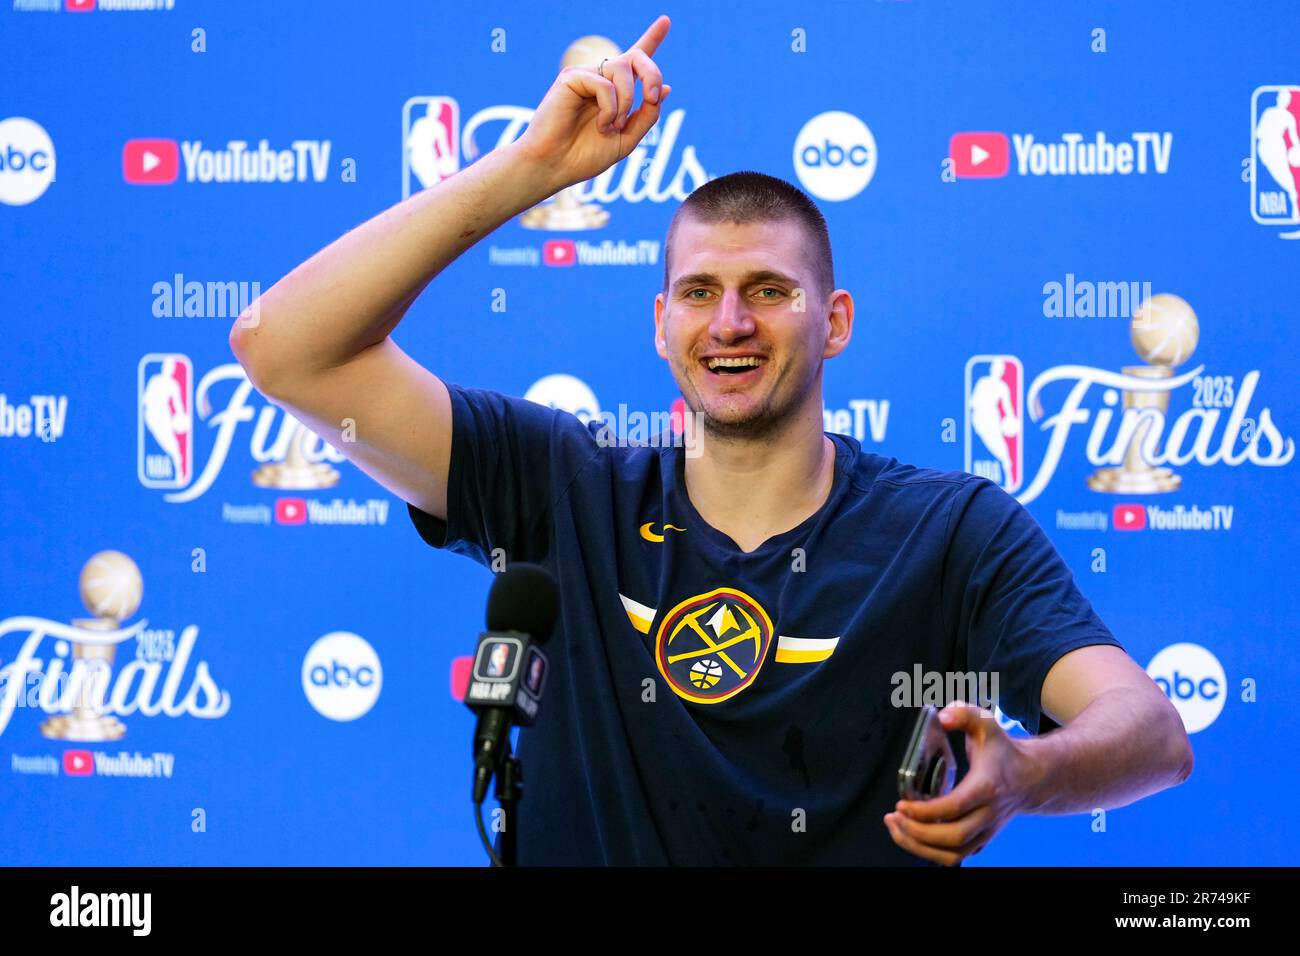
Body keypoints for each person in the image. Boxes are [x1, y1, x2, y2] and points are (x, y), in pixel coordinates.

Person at [229, 14, 1193, 865]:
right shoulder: (564, 484)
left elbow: (1151, 732)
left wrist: (1026, 769)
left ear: (836, 321)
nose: (729, 322)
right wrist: (525, 172)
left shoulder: (947, 531)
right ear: (661, 324)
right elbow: (287, 349)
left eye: (769, 291)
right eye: (699, 293)